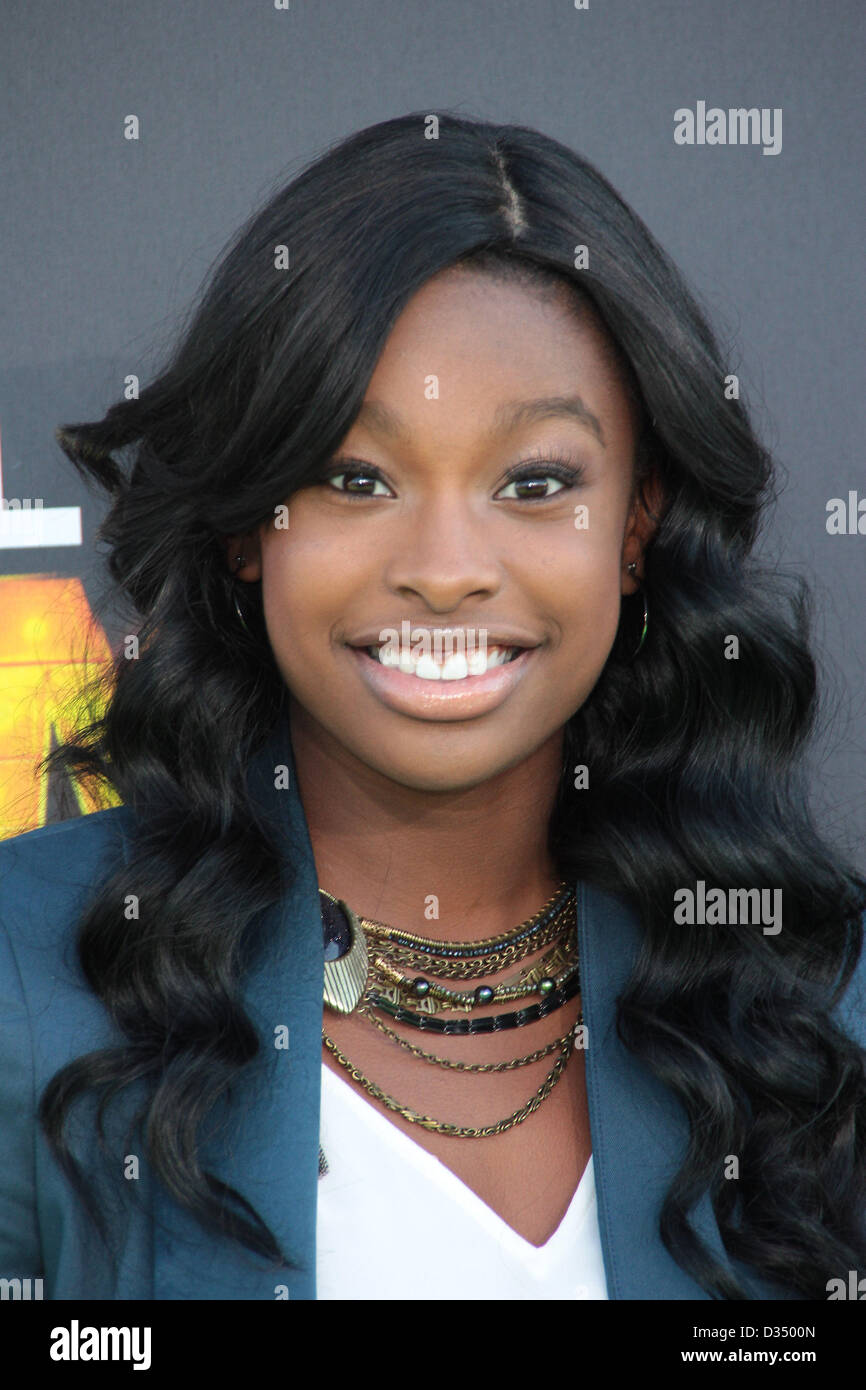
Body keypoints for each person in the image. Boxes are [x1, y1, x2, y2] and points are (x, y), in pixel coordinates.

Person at [1, 110, 864, 1302]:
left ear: (634, 523)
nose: (447, 563)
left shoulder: (813, 995)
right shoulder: (27, 973)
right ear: (254, 527)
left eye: (534, 481)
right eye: (356, 477)